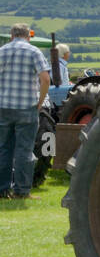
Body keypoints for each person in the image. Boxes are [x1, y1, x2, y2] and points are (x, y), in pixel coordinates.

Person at [0, 24, 52, 200]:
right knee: (24, 150)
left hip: (3, 107)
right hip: (27, 107)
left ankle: (2, 190)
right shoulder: (34, 52)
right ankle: (21, 191)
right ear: (28, 36)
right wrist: (39, 101)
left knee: (3, 149)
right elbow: (45, 78)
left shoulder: (2, 51)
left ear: (11, 35)